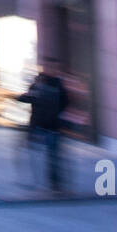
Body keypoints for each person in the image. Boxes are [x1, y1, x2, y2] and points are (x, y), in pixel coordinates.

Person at [18, 60, 71, 193]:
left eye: (53, 67)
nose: (52, 69)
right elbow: (27, 98)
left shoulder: (57, 84)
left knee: (53, 157)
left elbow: (65, 102)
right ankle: (42, 183)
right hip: (39, 125)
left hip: (51, 126)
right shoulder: (39, 82)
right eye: (49, 67)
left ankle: (53, 184)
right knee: (40, 156)